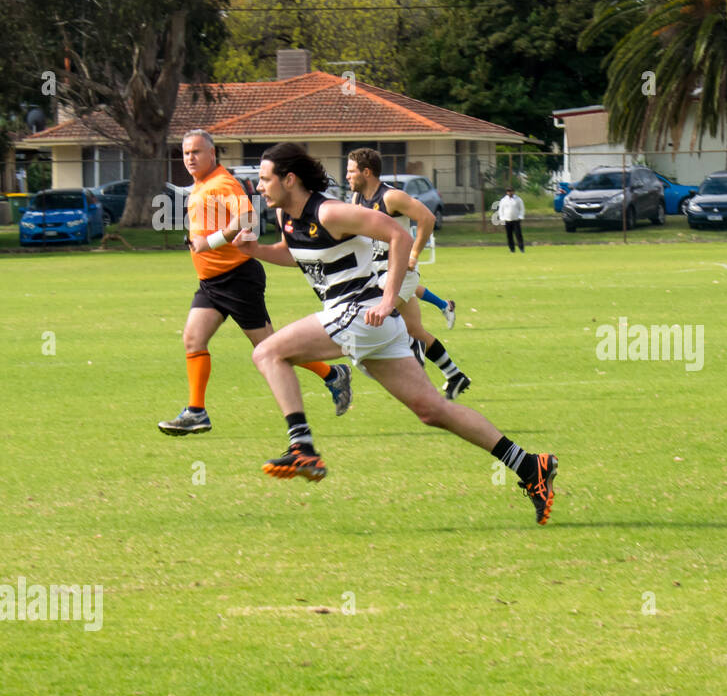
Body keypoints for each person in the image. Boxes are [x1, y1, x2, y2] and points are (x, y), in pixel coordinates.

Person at [235, 143, 557, 523]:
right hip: (366, 324)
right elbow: (297, 255)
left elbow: (398, 236)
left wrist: (388, 300)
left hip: (360, 312)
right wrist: (255, 250)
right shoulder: (288, 218)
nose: (258, 186)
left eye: (264, 179)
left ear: (289, 179)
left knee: (267, 353)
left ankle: (301, 445)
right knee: (432, 410)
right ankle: (529, 465)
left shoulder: (330, 211)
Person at [157, 129, 351, 435]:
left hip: (237, 279)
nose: (190, 158)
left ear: (212, 154)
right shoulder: (201, 185)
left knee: (269, 346)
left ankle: (333, 374)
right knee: (193, 340)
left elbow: (246, 219)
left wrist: (210, 242)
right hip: (211, 282)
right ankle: (196, 412)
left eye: (196, 152)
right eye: (185, 153)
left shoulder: (222, 183)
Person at [345, 149, 470, 399]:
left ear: (366, 172)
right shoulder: (357, 198)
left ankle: (414, 372)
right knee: (415, 330)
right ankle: (455, 375)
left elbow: (427, 218)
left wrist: (413, 255)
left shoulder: (391, 197)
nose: (347, 176)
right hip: (376, 273)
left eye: (351, 171)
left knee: (373, 320)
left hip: (398, 273)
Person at [498, 186, 525, 253]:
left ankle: (521, 248)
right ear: (507, 192)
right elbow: (501, 210)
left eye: (511, 191)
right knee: (509, 235)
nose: (510, 192)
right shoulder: (503, 200)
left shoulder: (518, 199)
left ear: (513, 192)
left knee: (518, 235)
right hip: (507, 220)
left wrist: (521, 217)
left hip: (516, 220)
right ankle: (512, 249)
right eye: (508, 191)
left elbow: (522, 209)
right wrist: (502, 218)